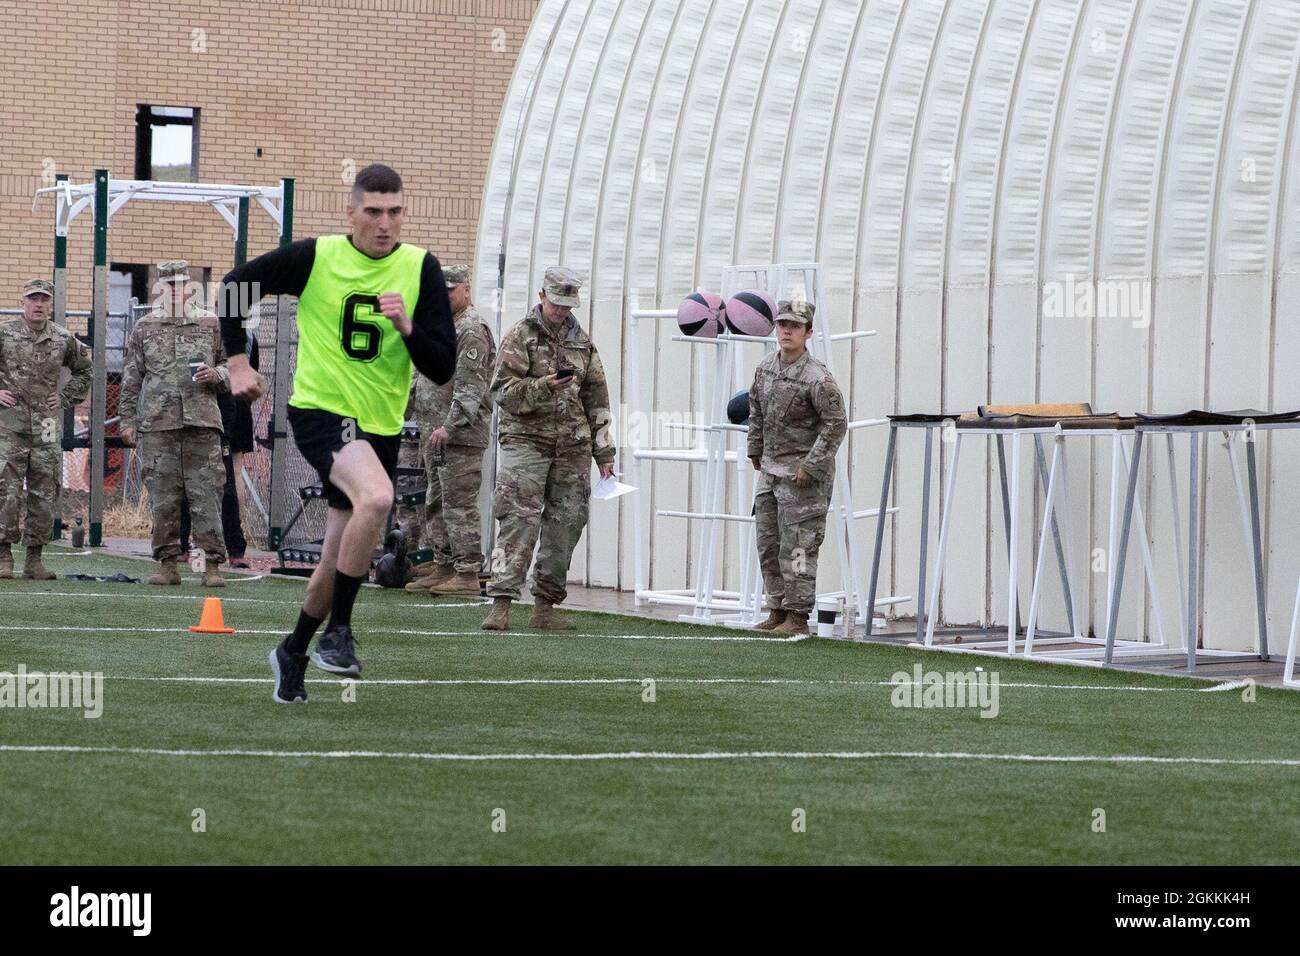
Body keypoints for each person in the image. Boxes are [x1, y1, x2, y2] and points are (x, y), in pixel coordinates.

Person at [218, 163, 455, 703]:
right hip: (322, 412)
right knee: (378, 497)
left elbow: (442, 366)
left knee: (336, 553)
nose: (384, 223)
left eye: (394, 211)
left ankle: (293, 651)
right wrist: (237, 362)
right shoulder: (315, 256)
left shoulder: (421, 268)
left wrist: (408, 328)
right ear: (351, 212)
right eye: (372, 211)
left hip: (380, 425)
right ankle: (339, 633)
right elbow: (234, 288)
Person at [481, 266, 615, 631]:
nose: (561, 311)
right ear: (542, 296)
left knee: (566, 524)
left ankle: (545, 605)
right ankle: (501, 602)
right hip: (526, 442)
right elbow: (501, 392)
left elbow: (597, 399)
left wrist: (605, 455)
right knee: (517, 521)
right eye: (556, 303)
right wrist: (543, 387)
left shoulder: (582, 343)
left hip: (572, 446)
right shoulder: (520, 337)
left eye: (567, 305)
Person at [119, 261, 230, 588]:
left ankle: (211, 565)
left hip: (202, 423)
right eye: (169, 285)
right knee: (163, 499)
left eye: (182, 284)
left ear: (190, 287)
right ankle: (168, 564)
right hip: (158, 426)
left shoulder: (209, 323)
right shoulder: (144, 328)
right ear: (160, 289)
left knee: (207, 495)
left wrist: (217, 375)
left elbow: (230, 366)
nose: (176, 290)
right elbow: (131, 378)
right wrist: (127, 421)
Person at [747, 300, 847, 635]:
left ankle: (798, 615)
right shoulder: (765, 369)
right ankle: (777, 608)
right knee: (769, 544)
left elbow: (835, 424)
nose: (787, 331)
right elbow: (756, 411)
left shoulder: (817, 378)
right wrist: (755, 450)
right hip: (772, 474)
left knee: (799, 547)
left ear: (808, 332)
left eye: (794, 326)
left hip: (803, 479)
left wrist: (812, 464)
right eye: (782, 324)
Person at [405, 263, 495, 596]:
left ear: (466, 291)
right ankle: (444, 565)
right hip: (434, 431)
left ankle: (467, 573)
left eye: (451, 291)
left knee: (458, 504)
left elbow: (471, 386)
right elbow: (421, 374)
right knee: (436, 500)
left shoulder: (471, 328)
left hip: (459, 435)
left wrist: (449, 425)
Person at [0, 278, 93, 579]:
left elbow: (85, 369)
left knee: (44, 491)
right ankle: (3, 557)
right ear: (22, 302)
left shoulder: (63, 339)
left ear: (51, 304)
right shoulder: (5, 334)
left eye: (44, 299)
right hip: (9, 425)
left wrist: (66, 396)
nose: (38, 304)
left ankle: (34, 560)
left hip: (47, 426)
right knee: (7, 491)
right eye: (33, 299)